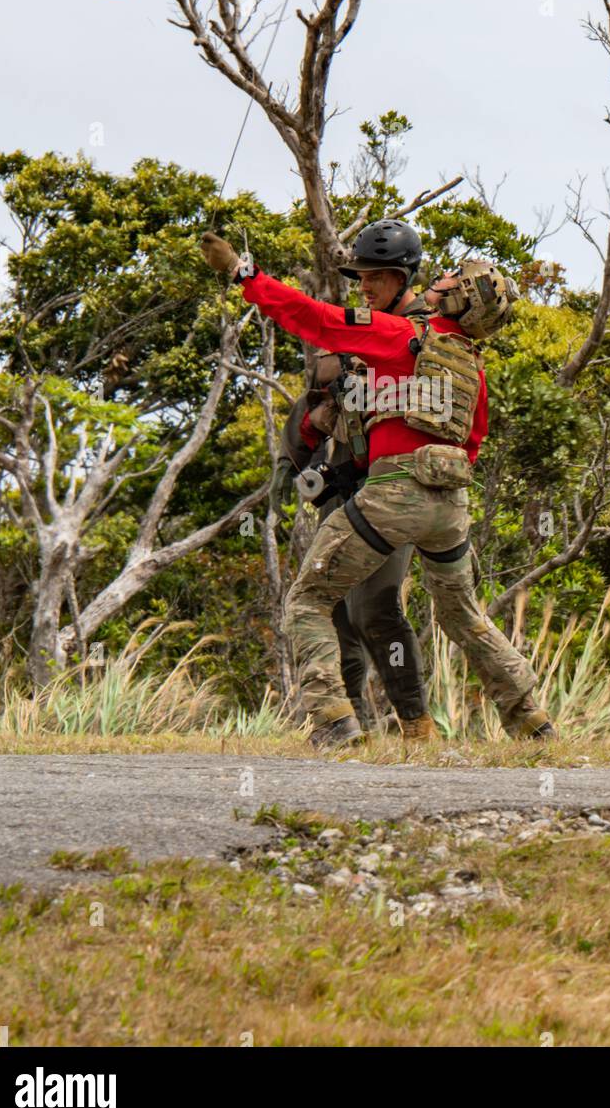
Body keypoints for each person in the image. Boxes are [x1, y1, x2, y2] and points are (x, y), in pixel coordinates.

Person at [201, 230, 555, 749]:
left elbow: (316, 318)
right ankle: (532, 722)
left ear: (459, 297)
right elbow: (473, 440)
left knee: (307, 600)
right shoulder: (469, 364)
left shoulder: (401, 335)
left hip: (392, 496)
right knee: (464, 617)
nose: (443, 278)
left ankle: (335, 724)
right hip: (451, 507)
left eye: (452, 277)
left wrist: (243, 275)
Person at [272, 220, 437, 740]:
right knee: (335, 611)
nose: (364, 285)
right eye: (360, 276)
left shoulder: (426, 335)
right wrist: (311, 427)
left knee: (376, 609)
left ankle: (415, 724)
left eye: (377, 277)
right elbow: (310, 407)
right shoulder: (348, 333)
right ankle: (343, 726)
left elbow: (444, 410)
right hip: (340, 490)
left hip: (392, 492)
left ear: (404, 277)